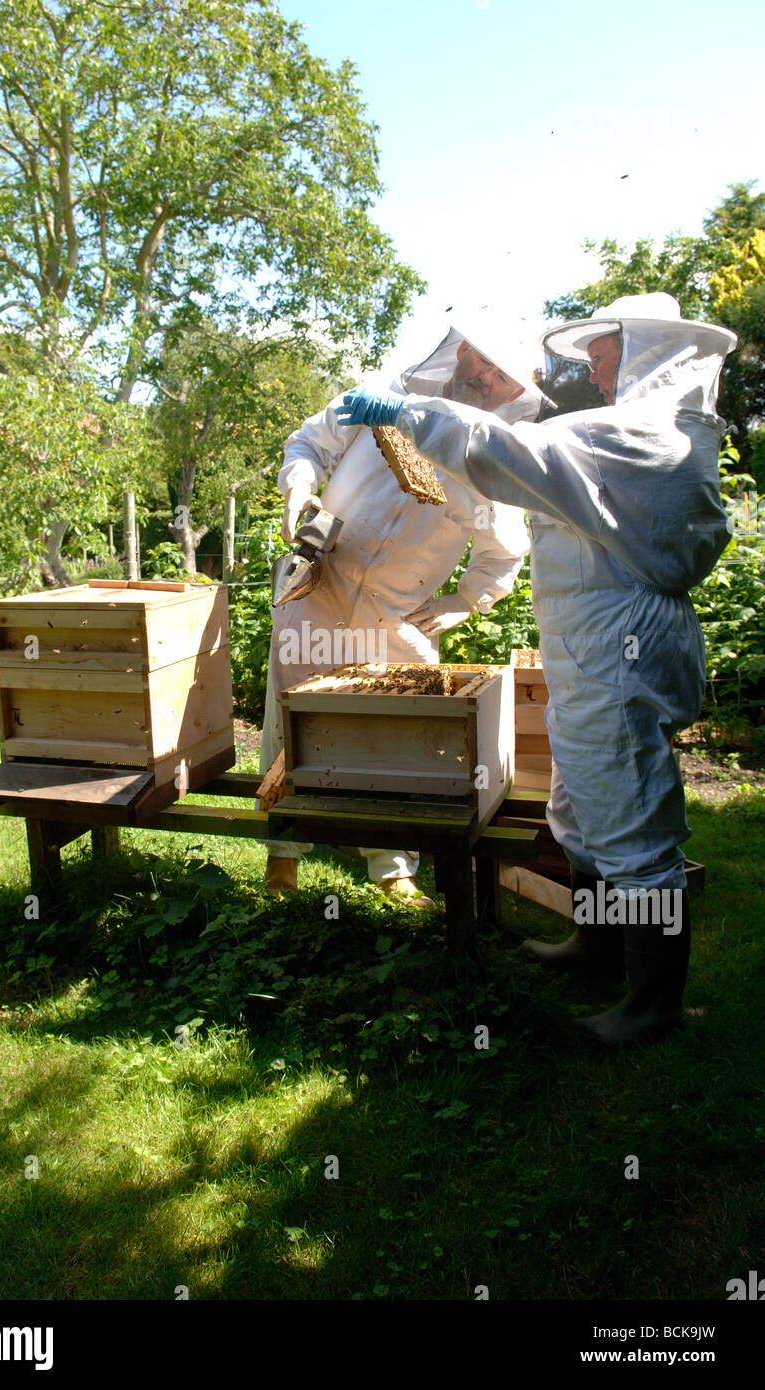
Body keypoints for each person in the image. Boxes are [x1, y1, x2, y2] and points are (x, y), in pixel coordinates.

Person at [336, 293, 736, 1044]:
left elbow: (511, 454)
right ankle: (594, 946)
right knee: (585, 809)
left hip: (617, 650)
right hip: (594, 649)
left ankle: (649, 1007)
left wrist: (409, 412)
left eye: (607, 348)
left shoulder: (642, 437)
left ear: (652, 348)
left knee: (633, 827)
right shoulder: (647, 429)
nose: (594, 363)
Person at [261, 326, 547, 902]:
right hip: (314, 582)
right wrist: (298, 494)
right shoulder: (383, 396)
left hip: (397, 615)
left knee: (399, 733)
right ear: (463, 349)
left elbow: (504, 552)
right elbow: (307, 446)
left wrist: (464, 603)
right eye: (484, 364)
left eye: (502, 379)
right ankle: (282, 859)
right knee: (289, 719)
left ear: (514, 392)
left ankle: (393, 867)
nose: (486, 383)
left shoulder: (489, 453)